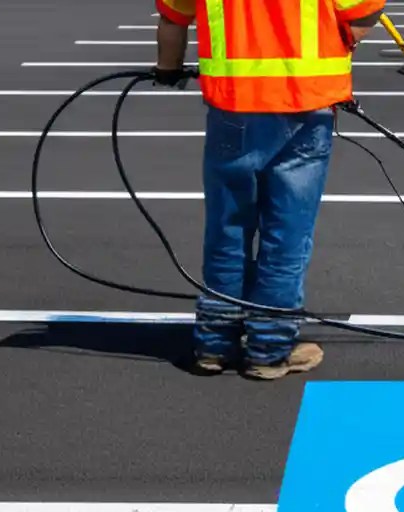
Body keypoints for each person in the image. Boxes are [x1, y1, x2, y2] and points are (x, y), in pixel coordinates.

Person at [153, 0, 385, 380]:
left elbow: (173, 19)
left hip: (233, 108)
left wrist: (168, 69)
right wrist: (341, 41)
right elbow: (364, 11)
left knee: (228, 228)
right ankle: (268, 348)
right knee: (287, 234)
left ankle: (215, 342)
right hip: (306, 106)